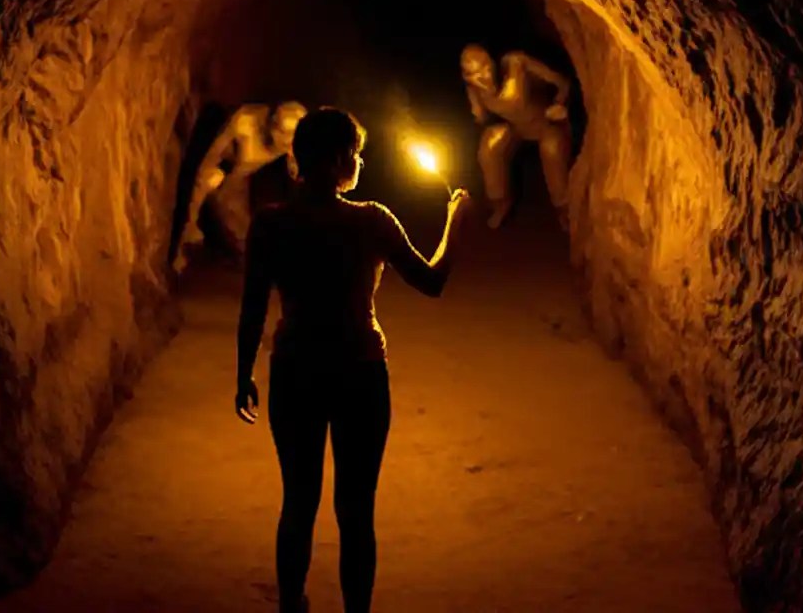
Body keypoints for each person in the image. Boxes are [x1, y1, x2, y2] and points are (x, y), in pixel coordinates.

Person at [234, 108, 471, 613]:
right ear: (341, 159)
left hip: (296, 371)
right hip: (359, 372)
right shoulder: (371, 220)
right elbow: (431, 281)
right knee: (356, 510)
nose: (360, 162)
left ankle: (291, 604)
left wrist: (243, 374)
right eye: (357, 153)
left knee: (298, 502)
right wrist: (456, 221)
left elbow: (253, 306)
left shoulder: (271, 224)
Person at [174, 101, 308, 272]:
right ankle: (185, 246)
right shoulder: (244, 125)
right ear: (272, 126)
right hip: (225, 169)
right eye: (285, 134)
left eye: (294, 137)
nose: (288, 141)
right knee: (210, 186)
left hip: (242, 177)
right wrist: (189, 229)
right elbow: (204, 170)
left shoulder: (294, 144)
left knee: (244, 239)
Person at [460, 43, 573, 231]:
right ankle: (500, 202)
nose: (484, 76)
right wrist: (481, 114)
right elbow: (483, 118)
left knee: (551, 149)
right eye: (475, 74)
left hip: (547, 121)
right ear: (467, 77)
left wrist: (560, 104)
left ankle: (564, 206)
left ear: (492, 62)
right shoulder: (475, 90)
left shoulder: (516, 63)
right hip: (518, 129)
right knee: (489, 143)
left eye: (486, 67)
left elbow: (562, 83)